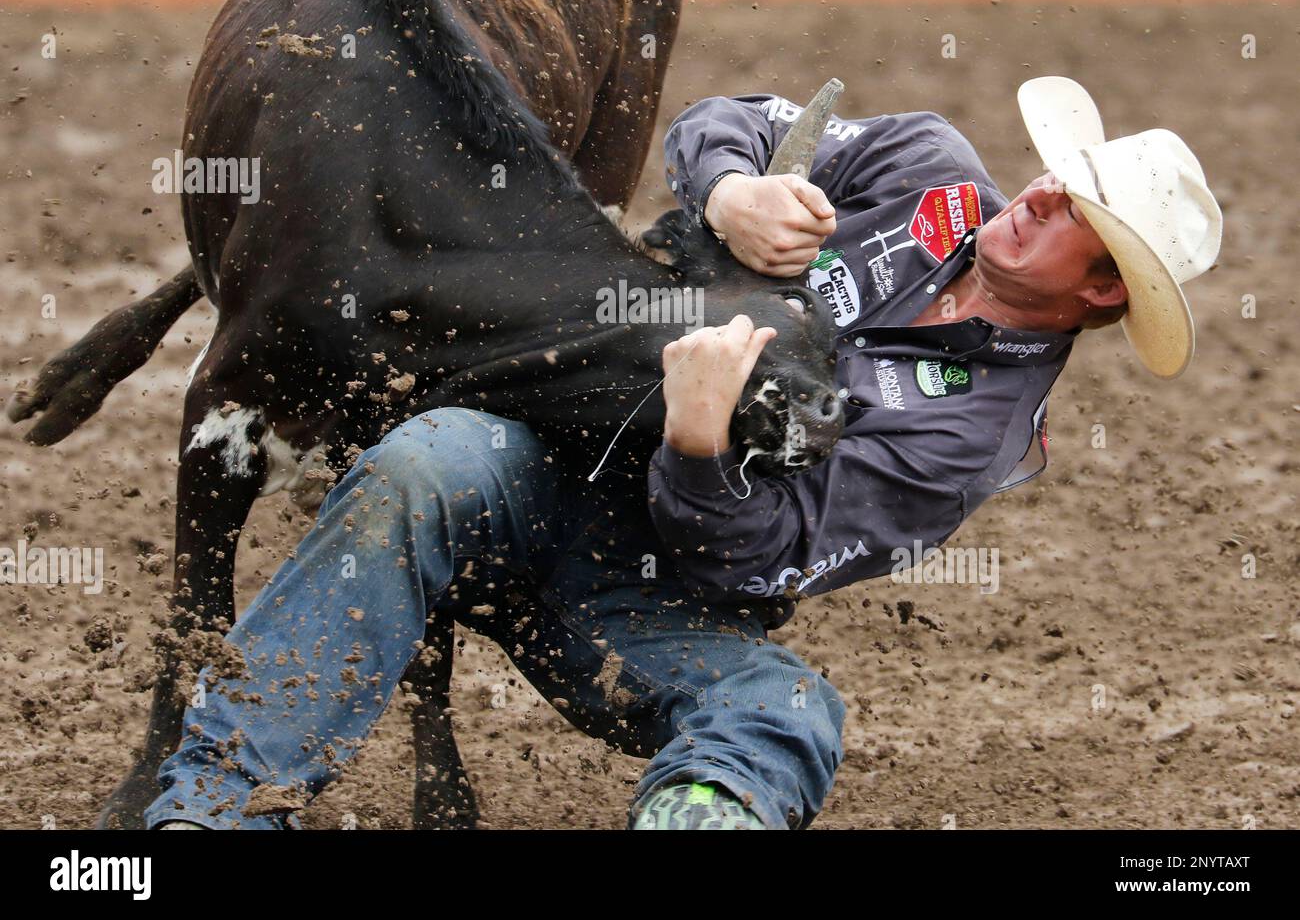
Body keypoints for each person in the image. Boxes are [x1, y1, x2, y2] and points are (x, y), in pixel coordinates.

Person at [147, 77, 1222, 830]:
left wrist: (701, 441)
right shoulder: (924, 167)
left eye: (1078, 212)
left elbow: (755, 562)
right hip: (533, 463)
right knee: (429, 458)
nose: (1038, 192)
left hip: (647, 594)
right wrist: (729, 191)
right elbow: (735, 117)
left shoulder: (970, 432)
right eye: (1058, 175)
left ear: (1099, 291)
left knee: (786, 708)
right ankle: (209, 815)